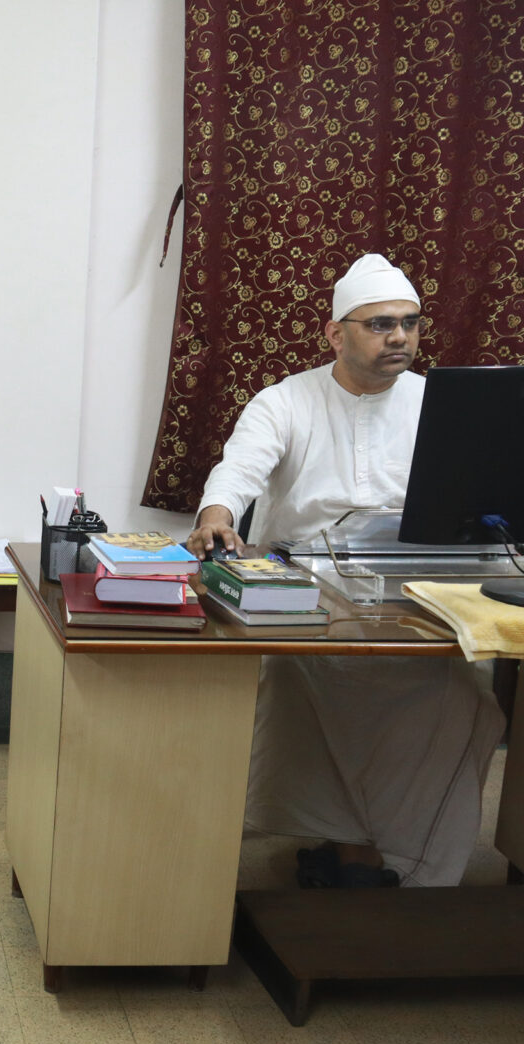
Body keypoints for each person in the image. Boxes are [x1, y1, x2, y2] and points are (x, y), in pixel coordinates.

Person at [185, 254, 504, 889]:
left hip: (414, 590)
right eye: (381, 324)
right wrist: (216, 514)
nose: (400, 337)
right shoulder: (286, 401)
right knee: (306, 680)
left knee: (462, 699)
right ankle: (352, 846)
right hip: (309, 590)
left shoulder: (438, 403)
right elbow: (239, 468)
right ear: (336, 334)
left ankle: (406, 859)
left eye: (410, 323)